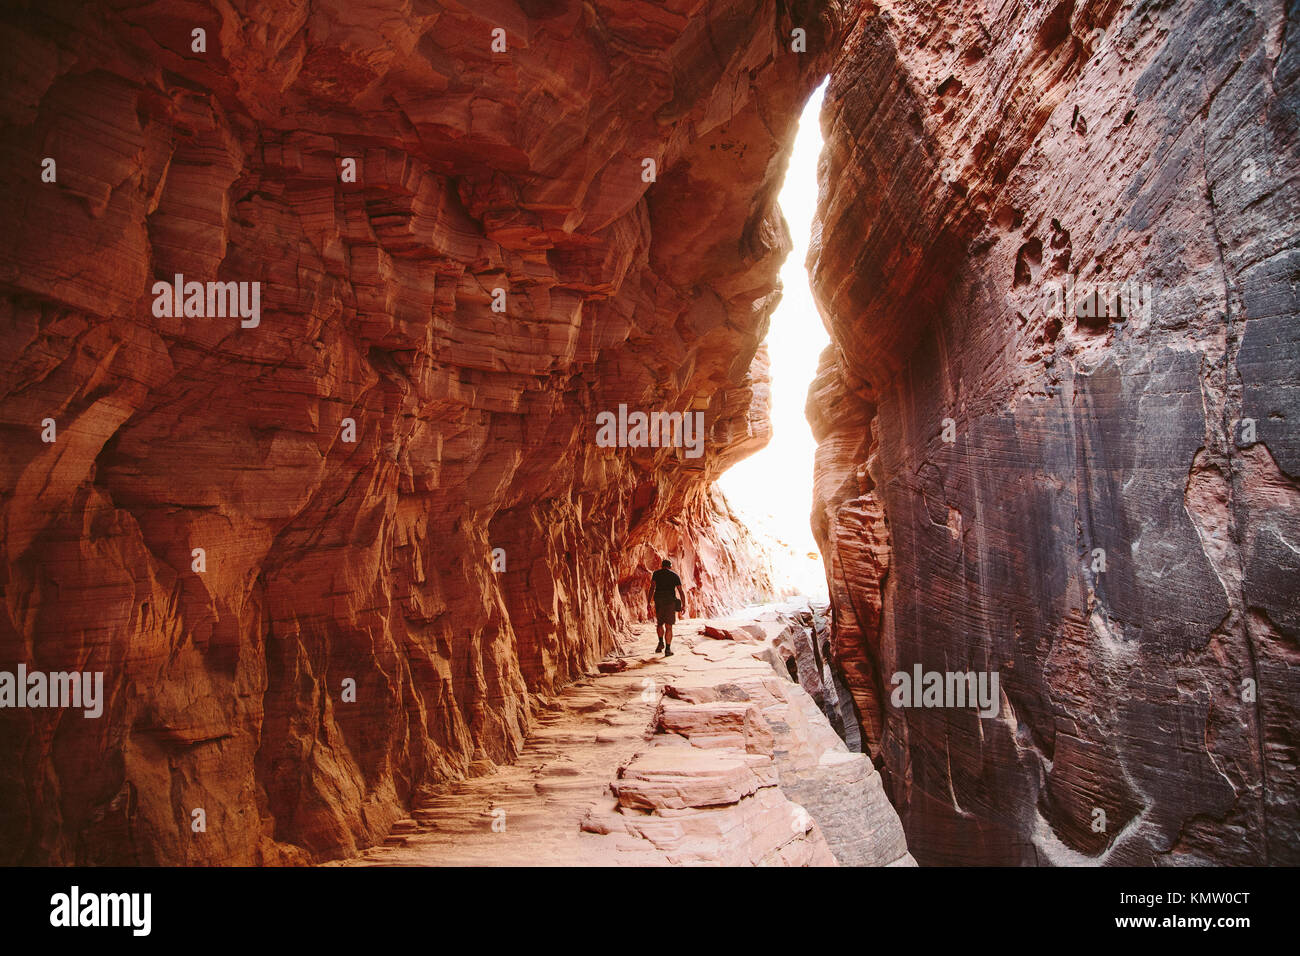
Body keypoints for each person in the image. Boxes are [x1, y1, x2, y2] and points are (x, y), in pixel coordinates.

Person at [648, 559, 684, 656]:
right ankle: (667, 649)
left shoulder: (656, 574)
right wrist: (683, 604)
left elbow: (652, 588)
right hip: (670, 602)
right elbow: (680, 591)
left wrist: (648, 602)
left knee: (660, 623)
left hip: (659, 600)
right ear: (670, 566)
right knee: (669, 626)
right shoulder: (674, 575)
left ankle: (660, 642)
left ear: (662, 565)